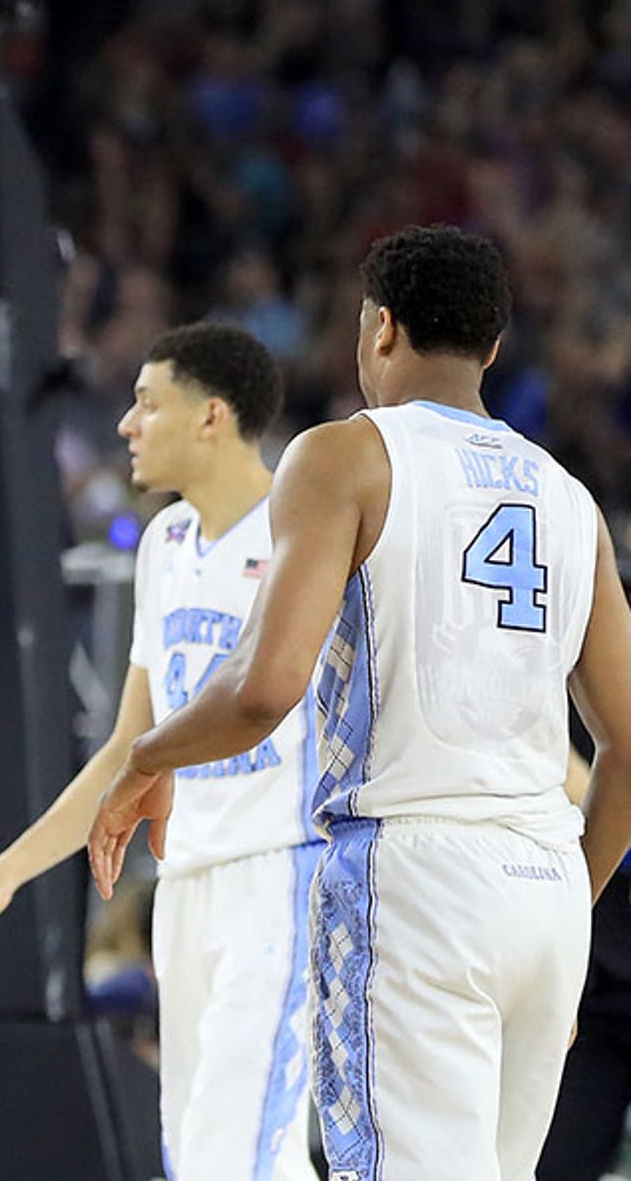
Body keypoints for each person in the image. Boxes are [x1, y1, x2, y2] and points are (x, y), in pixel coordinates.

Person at [89, 226, 631, 1181]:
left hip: (416, 879)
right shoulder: (571, 499)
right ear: (493, 349)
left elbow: (262, 687)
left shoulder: (347, 456)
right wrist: (573, 908)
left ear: (379, 328)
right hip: (546, 893)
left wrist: (147, 758)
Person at [0, 323, 310, 1179]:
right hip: (183, 889)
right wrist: (4, 876)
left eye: (147, 404)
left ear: (212, 416)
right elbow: (126, 754)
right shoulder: (165, 545)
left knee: (236, 1152)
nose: (125, 426)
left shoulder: (305, 530)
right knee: (205, 1152)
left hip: (283, 875)